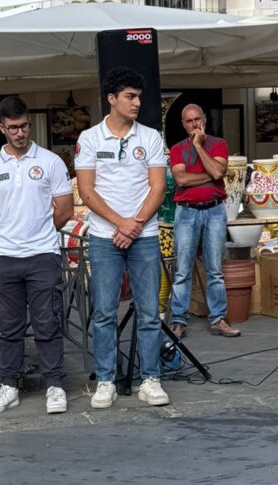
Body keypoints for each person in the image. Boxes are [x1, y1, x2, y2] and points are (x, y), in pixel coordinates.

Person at [75, 67, 169, 409]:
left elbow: (158, 187)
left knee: (148, 310)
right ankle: (105, 380)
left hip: (143, 235)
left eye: (139, 97)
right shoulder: (89, 138)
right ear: (111, 99)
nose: (137, 102)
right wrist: (120, 224)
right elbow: (86, 191)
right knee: (103, 311)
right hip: (104, 236)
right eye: (130, 96)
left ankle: (151, 378)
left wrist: (136, 223)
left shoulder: (151, 136)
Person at [0, 96, 74, 415]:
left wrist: (39, 230)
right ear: (2, 128)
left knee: (48, 322)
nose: (20, 133)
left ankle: (55, 386)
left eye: (24, 126)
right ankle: (8, 386)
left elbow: (65, 209)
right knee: (9, 326)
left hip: (43, 254)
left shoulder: (50, 161)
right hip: (5, 256)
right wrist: (10, 227)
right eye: (13, 128)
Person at [168, 103, 240, 339]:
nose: (194, 124)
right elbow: (181, 179)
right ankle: (178, 321)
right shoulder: (177, 149)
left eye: (197, 119)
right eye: (189, 121)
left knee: (215, 270)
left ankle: (218, 319)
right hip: (186, 212)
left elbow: (219, 174)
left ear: (205, 119)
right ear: (183, 124)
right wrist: (210, 173)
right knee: (182, 270)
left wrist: (198, 146)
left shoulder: (218, 143)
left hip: (214, 212)